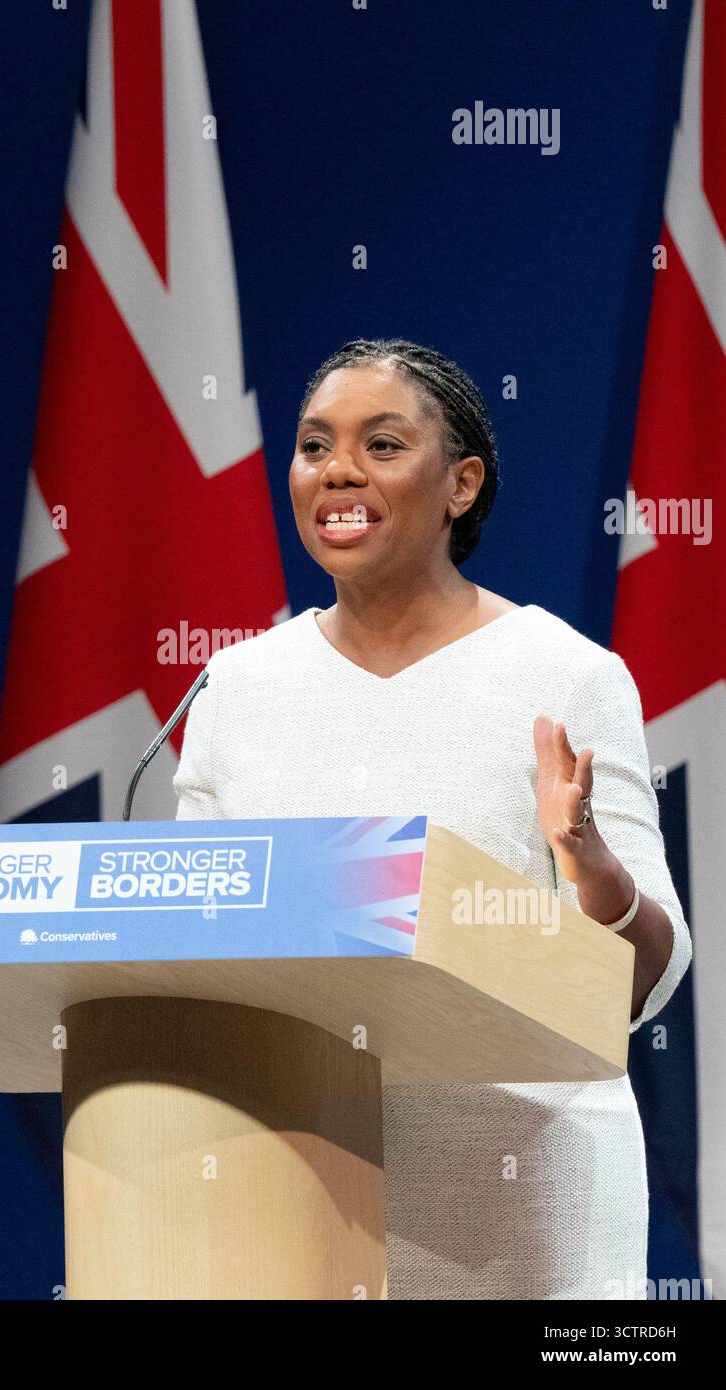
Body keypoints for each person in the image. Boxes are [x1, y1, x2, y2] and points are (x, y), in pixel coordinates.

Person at [172, 337, 692, 1299]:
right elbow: (196, 949)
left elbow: (647, 978)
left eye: (379, 444)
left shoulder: (565, 674)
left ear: (461, 484)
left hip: (525, 1200)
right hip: (290, 1192)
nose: (336, 470)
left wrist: (589, 866)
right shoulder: (235, 690)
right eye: (313, 444)